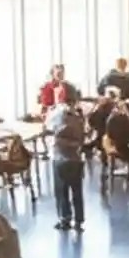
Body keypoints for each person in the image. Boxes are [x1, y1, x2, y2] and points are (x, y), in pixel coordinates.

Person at [46, 99, 86, 231]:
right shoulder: (78, 118)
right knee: (77, 191)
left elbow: (47, 128)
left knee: (61, 191)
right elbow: (83, 136)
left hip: (60, 157)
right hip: (75, 158)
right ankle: (79, 220)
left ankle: (64, 218)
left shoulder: (56, 115)